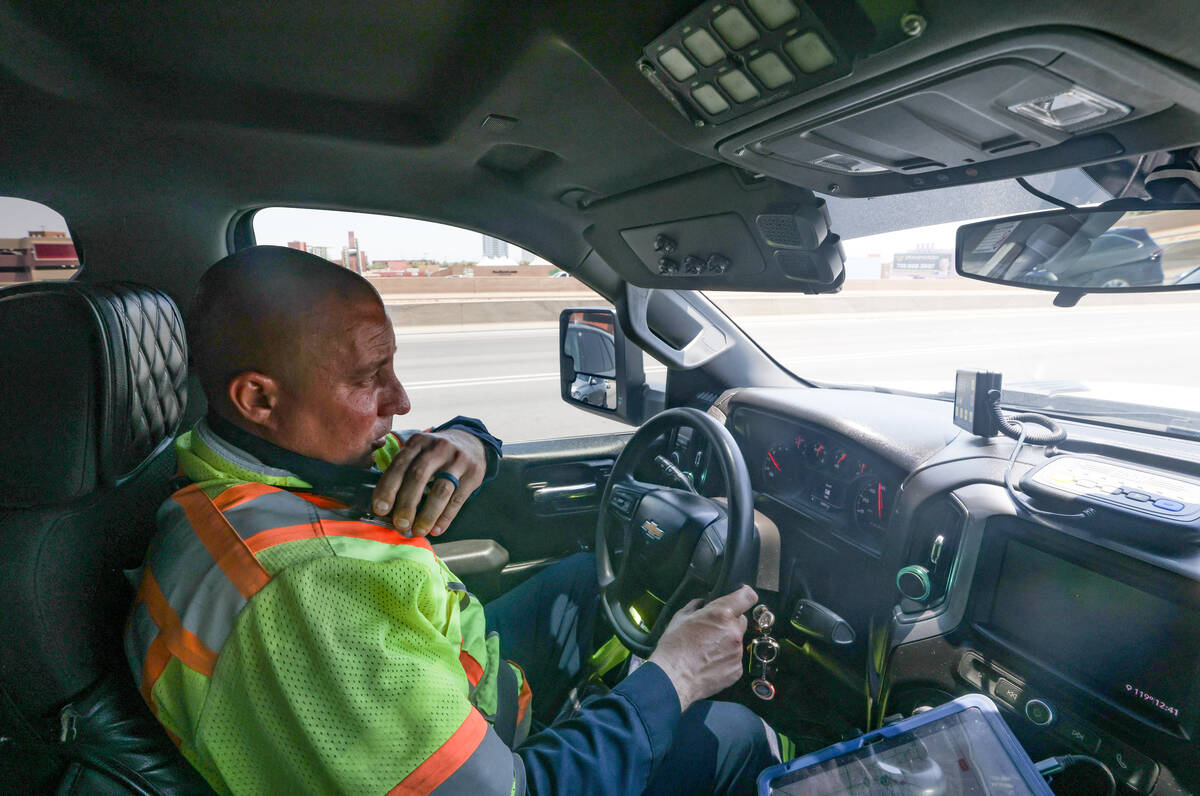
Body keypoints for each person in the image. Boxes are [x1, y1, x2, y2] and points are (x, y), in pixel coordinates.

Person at [125, 245, 784, 796]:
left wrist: (469, 441)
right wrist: (678, 677)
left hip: (447, 683)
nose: (401, 399)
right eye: (370, 377)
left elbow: (439, 446)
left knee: (588, 579)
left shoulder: (243, 474)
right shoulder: (308, 591)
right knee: (732, 736)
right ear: (258, 398)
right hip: (483, 760)